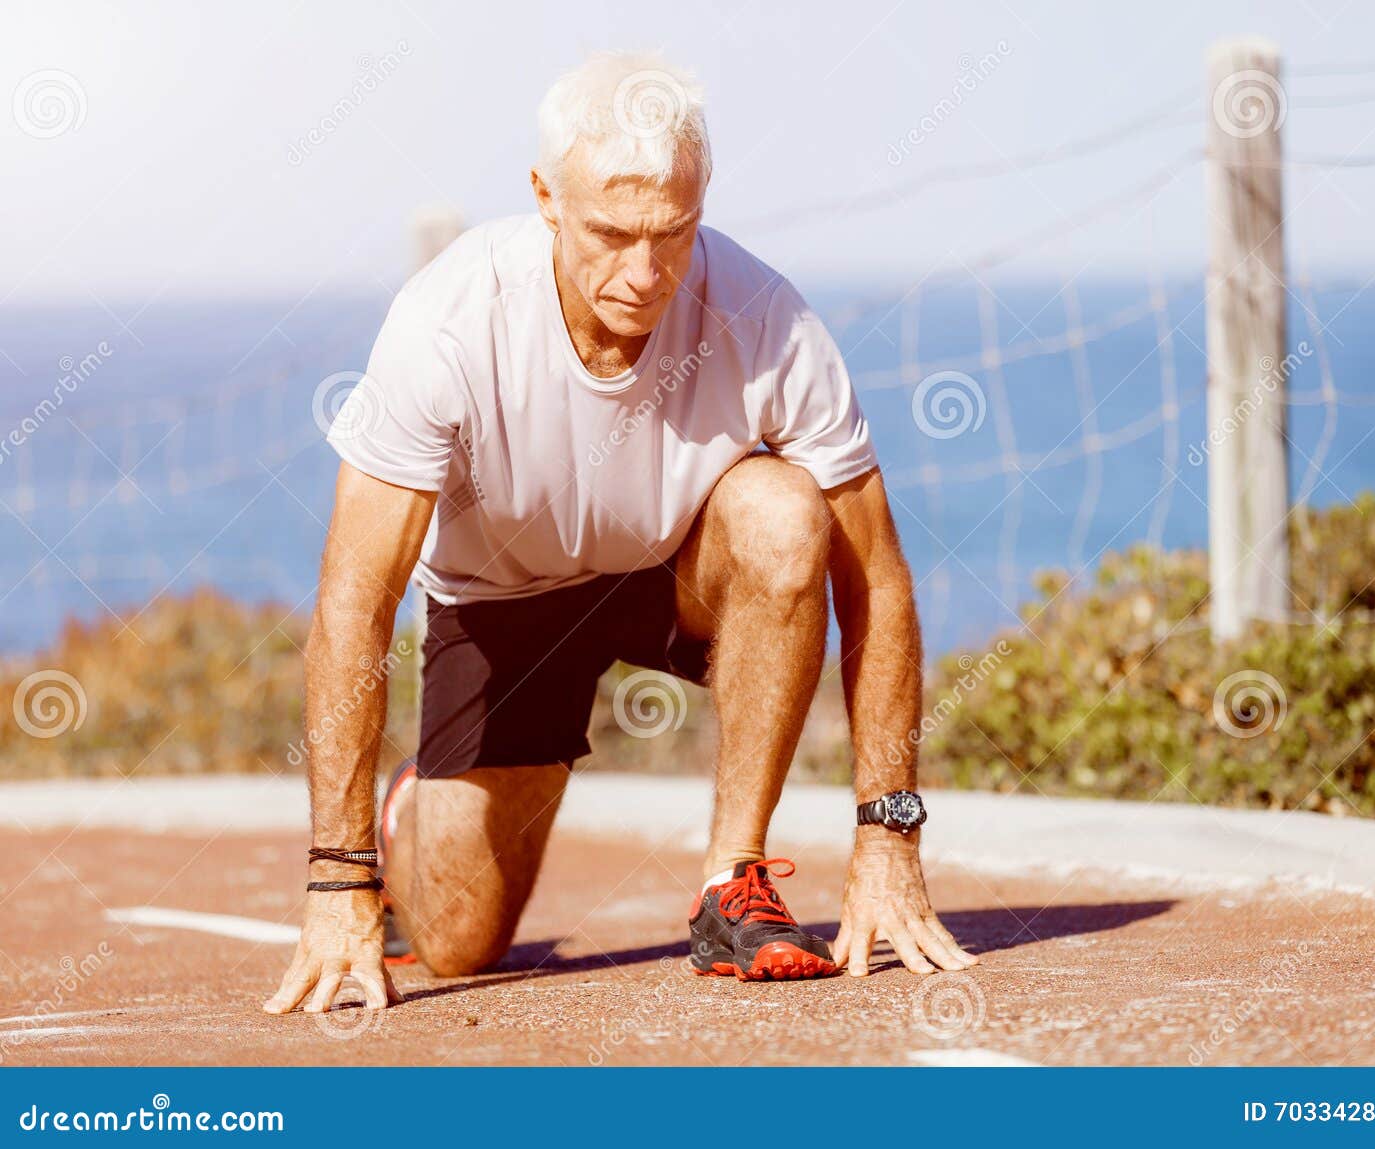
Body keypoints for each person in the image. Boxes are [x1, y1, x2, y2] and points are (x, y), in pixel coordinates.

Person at [265, 50, 977, 1016]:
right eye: (610, 232)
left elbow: (877, 583)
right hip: (504, 601)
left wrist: (889, 838)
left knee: (782, 512)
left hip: (668, 568)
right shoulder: (447, 323)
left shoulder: (767, 318)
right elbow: (354, 603)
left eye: (672, 233)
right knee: (458, 943)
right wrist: (340, 878)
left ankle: (735, 884)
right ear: (545, 198)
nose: (643, 273)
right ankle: (409, 811)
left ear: (701, 203)